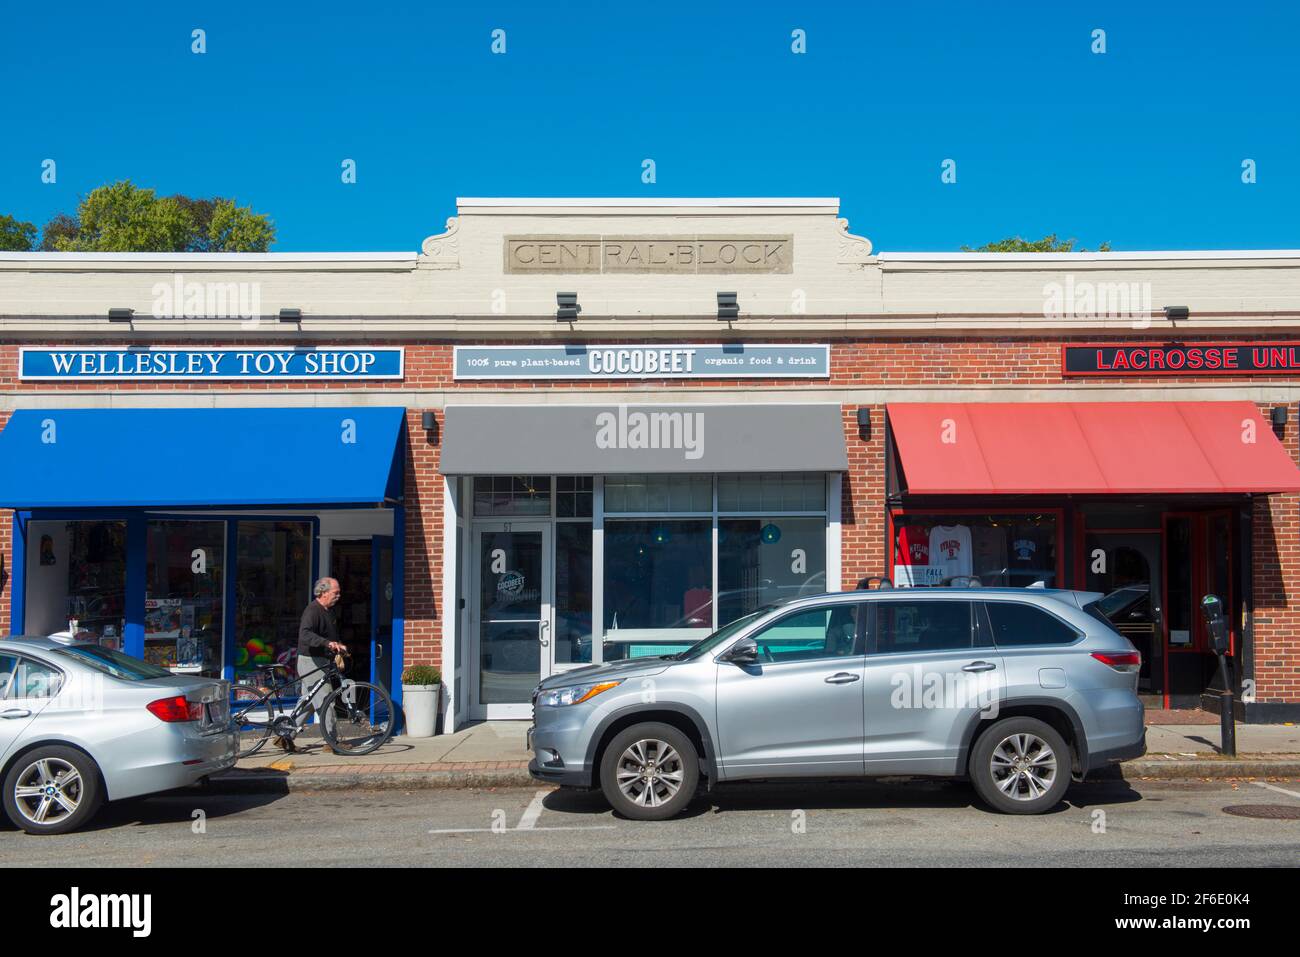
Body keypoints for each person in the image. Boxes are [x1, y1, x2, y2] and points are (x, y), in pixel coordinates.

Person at [277, 577, 348, 752]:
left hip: (321, 661)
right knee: (326, 700)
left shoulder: (328, 611)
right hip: (311, 661)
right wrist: (327, 643)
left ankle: (285, 736)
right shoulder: (313, 611)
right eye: (335, 592)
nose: (339, 595)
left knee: (308, 702)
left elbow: (329, 635)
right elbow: (305, 635)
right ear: (323, 592)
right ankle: (332, 743)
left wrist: (337, 644)